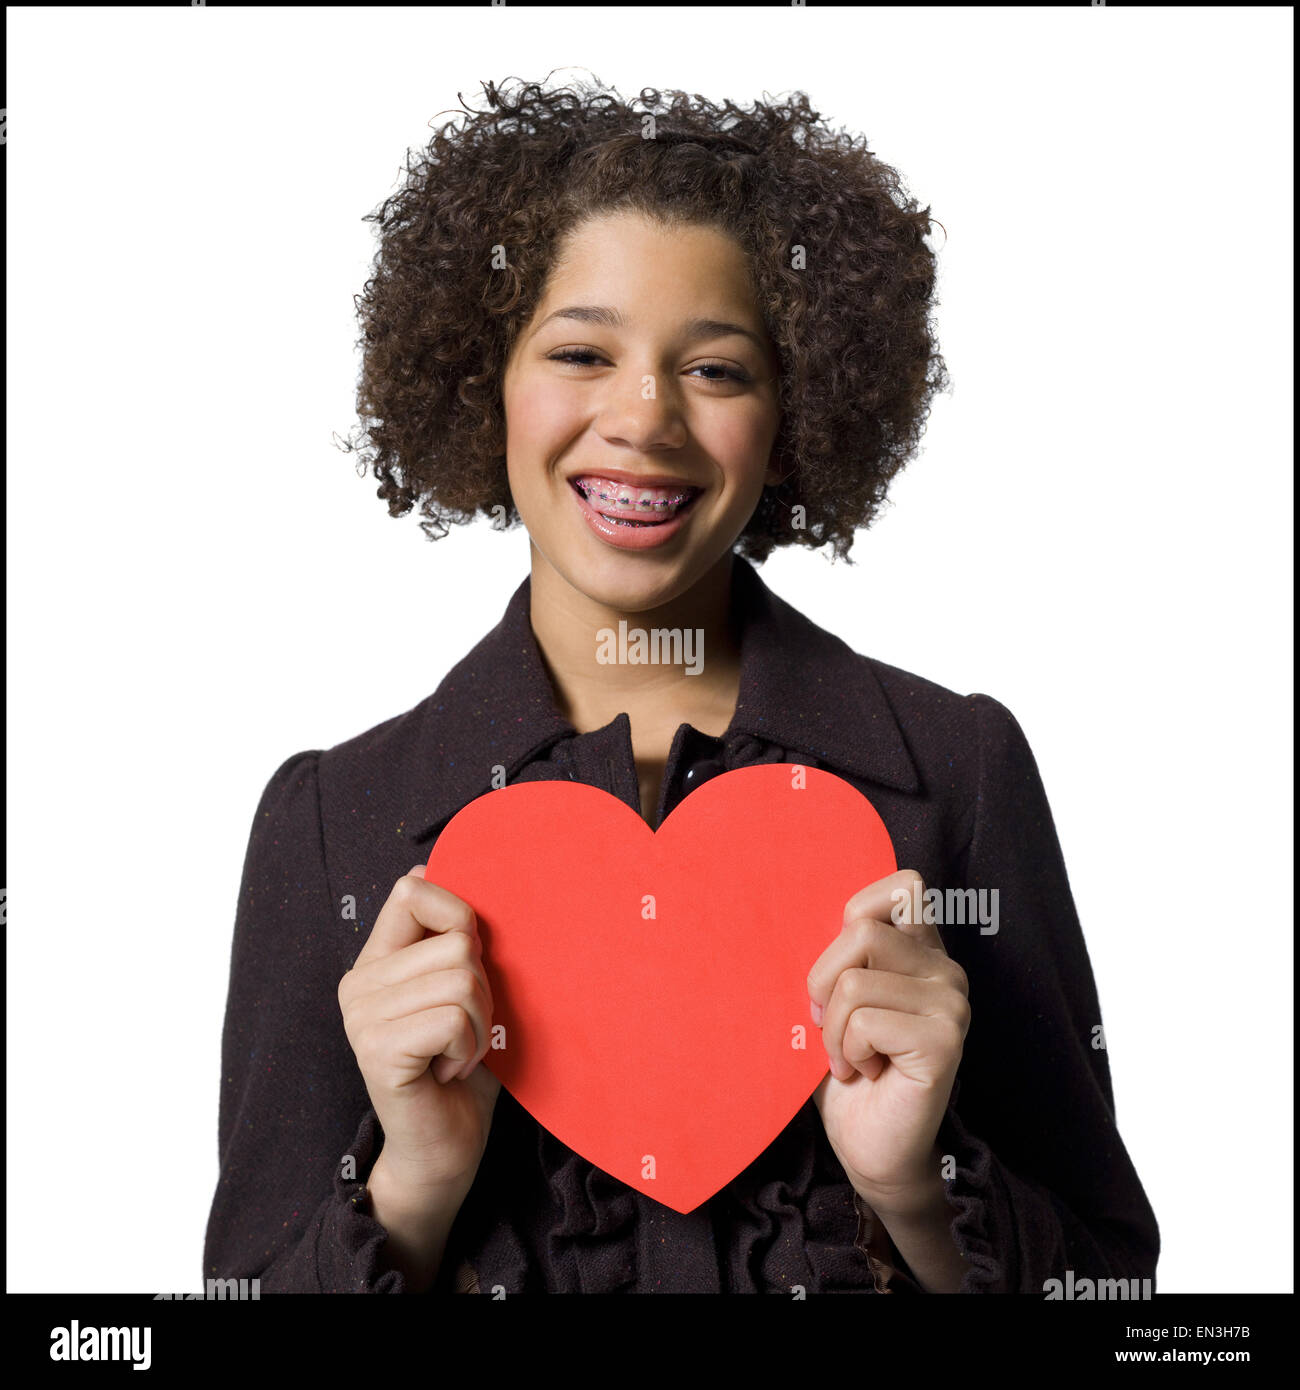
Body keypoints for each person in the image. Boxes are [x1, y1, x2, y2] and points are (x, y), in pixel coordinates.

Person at [204, 75, 1159, 1295]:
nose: (643, 415)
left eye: (714, 370)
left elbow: (1119, 1297)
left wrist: (916, 1187)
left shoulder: (956, 774)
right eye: (580, 351)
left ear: (794, 410)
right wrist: (411, 1187)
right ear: (480, 379)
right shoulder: (336, 822)